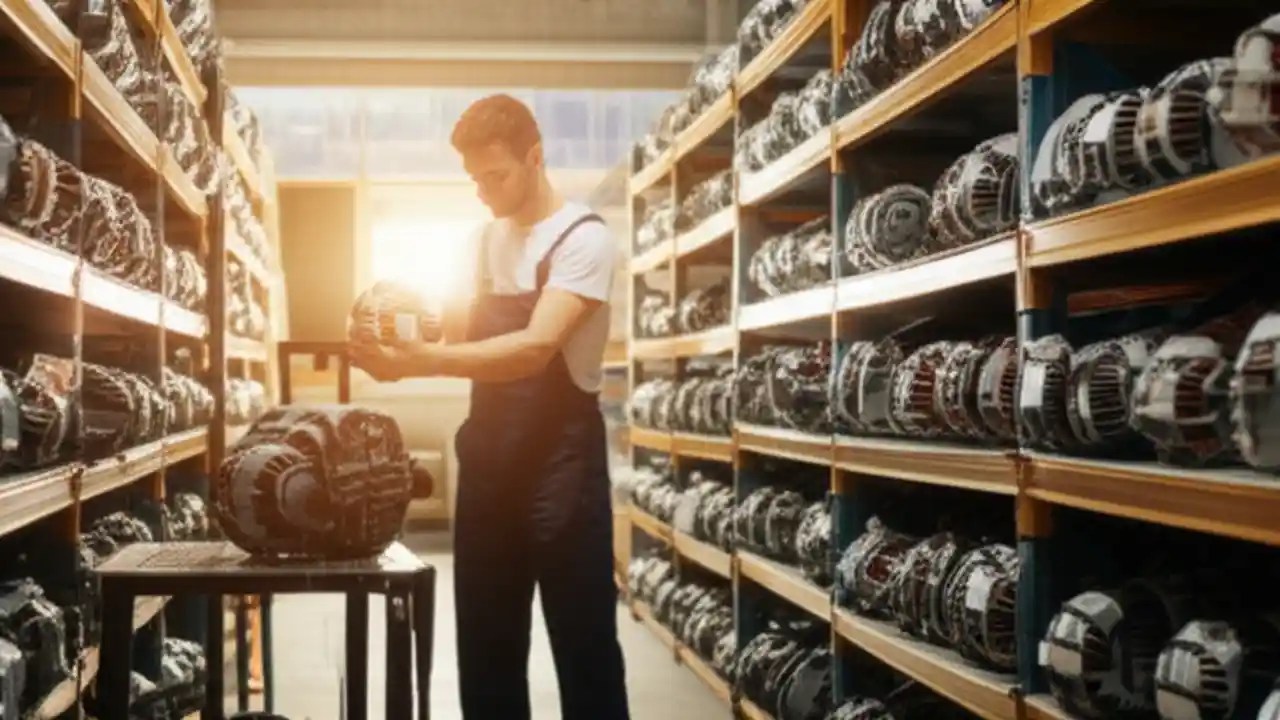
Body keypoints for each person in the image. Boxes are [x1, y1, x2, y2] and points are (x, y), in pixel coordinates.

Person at [350, 93, 630, 720]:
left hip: (563, 473)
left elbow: (532, 349)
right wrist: (388, 334)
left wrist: (420, 361)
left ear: (535, 157)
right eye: (474, 178)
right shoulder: (479, 244)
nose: (483, 190)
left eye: (495, 175)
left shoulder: (584, 239)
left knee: (584, 648)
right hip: (489, 469)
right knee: (486, 649)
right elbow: (446, 331)